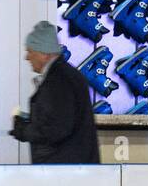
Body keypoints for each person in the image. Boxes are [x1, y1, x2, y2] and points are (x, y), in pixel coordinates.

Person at [9, 21, 100, 164]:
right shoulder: (65, 76)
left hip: (63, 172)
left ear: (44, 54)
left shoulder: (58, 81)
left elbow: (56, 129)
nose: (27, 57)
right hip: (73, 168)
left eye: (30, 51)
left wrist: (24, 130)